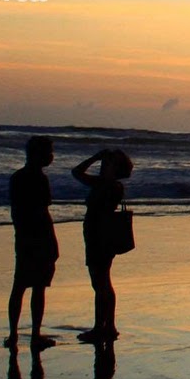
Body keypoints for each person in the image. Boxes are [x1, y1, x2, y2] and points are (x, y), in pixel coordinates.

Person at [72, 147, 132, 344]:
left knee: (100, 282)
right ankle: (109, 326)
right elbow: (76, 172)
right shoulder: (108, 185)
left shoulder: (108, 186)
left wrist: (97, 158)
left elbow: (77, 173)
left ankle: (101, 327)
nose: (104, 166)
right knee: (103, 281)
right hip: (100, 234)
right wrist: (97, 157)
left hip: (99, 234)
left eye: (108, 163)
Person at [7, 135, 58, 349]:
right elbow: (44, 208)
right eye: (49, 153)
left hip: (24, 236)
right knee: (38, 288)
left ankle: (13, 335)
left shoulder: (17, 177)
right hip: (40, 236)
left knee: (19, 286)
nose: (52, 157)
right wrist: (51, 241)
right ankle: (35, 334)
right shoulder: (39, 179)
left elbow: (16, 210)